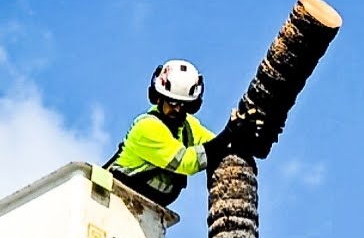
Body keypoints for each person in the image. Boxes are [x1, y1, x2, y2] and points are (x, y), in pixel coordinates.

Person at [103, 59, 255, 207]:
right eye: (173, 102)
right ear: (158, 98)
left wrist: (245, 132)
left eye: (184, 104)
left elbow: (216, 146)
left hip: (142, 210)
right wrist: (228, 132)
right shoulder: (146, 128)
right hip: (109, 202)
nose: (177, 109)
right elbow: (186, 162)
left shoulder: (188, 127)